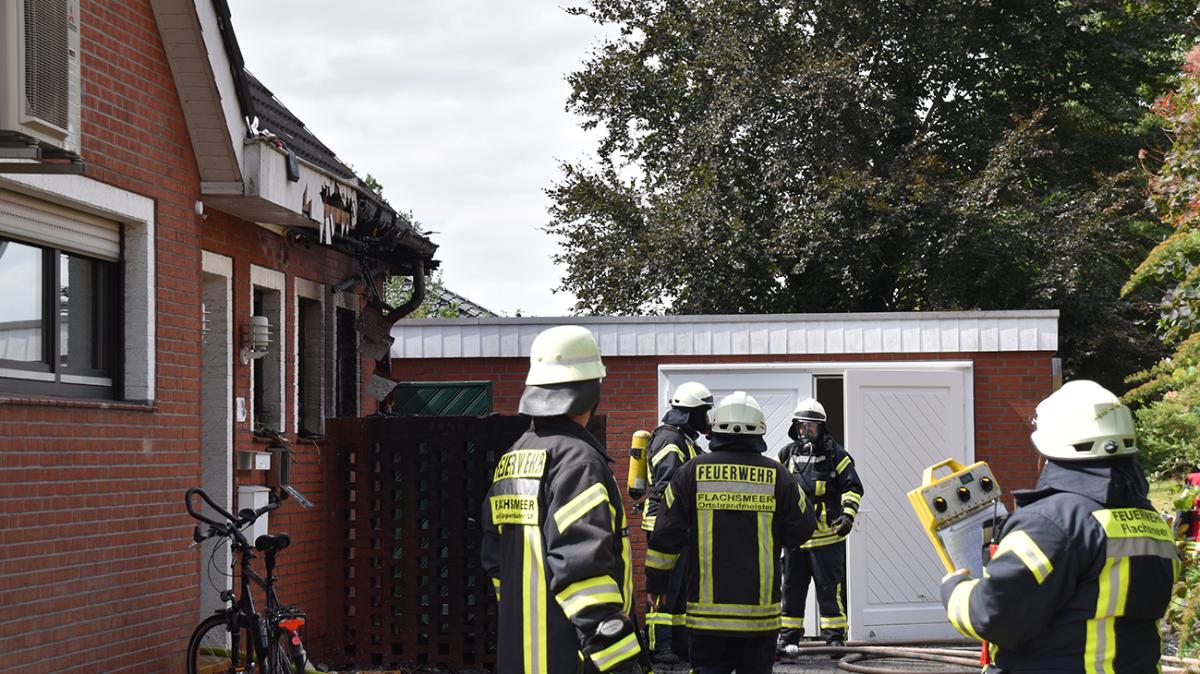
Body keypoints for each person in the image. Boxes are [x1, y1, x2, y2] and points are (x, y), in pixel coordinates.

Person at [941, 380, 1179, 673]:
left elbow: (994, 616)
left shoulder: (1051, 522)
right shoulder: (1150, 518)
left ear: (1049, 445)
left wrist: (954, 590)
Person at [481, 325, 642, 674]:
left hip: (520, 655)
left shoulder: (513, 458)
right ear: (592, 390)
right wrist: (618, 658)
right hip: (571, 657)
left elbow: (496, 565)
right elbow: (582, 569)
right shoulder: (578, 461)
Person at [646, 391, 816, 674]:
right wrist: (773, 536)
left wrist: (657, 583)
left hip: (706, 620)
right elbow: (803, 527)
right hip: (759, 620)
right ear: (759, 428)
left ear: (715, 427)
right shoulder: (778, 476)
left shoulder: (691, 472)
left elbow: (665, 534)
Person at [776, 398, 864, 653]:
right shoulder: (786, 454)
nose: (806, 432)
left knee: (830, 590)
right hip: (795, 539)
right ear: (795, 427)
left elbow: (853, 486)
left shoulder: (836, 453)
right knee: (791, 590)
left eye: (812, 427)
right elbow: (775, 490)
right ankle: (788, 637)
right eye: (802, 427)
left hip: (827, 536)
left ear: (821, 428)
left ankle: (835, 639)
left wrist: (847, 516)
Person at [642, 381, 714, 665]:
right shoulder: (670, 440)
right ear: (689, 413)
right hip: (665, 525)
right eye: (703, 412)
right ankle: (660, 646)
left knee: (682, 590)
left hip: (681, 526)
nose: (706, 419)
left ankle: (679, 643)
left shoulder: (684, 440)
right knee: (665, 588)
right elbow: (669, 486)